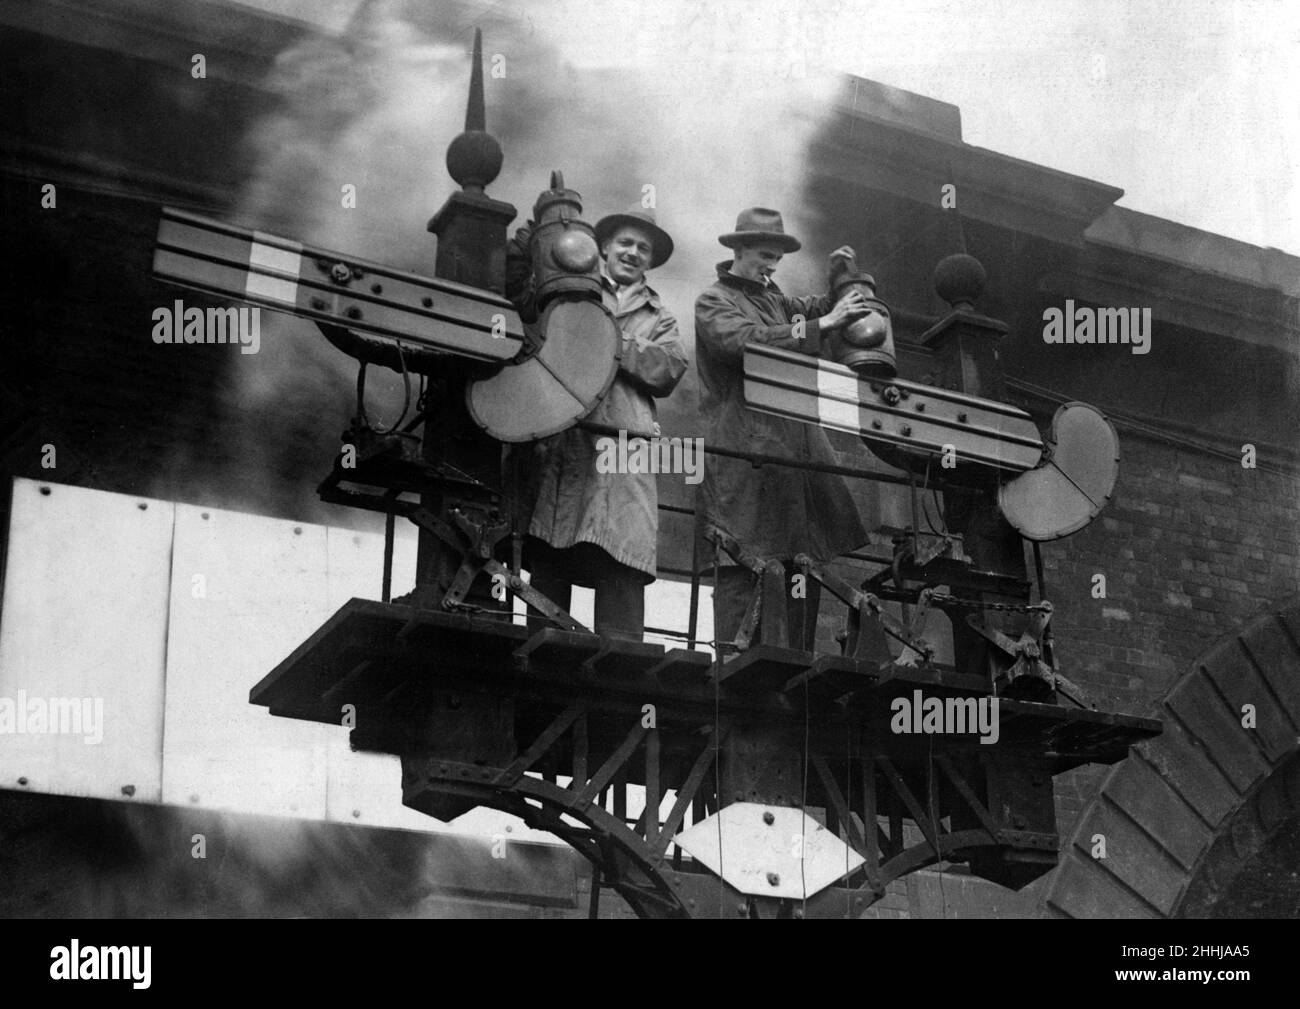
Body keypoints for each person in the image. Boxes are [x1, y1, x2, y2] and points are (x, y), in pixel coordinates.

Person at [694, 206, 874, 652]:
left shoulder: (776, 300)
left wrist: (842, 277)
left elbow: (824, 310)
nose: (772, 265)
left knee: (801, 562)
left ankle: (794, 665)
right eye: (763, 254)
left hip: (793, 459)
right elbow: (742, 342)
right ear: (737, 249)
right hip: (744, 456)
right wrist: (821, 324)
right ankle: (735, 670)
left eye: (777, 257)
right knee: (743, 556)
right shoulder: (714, 300)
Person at [506, 206, 688, 638]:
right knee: (553, 549)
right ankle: (545, 650)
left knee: (623, 553)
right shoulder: (573, 287)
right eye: (625, 243)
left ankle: (622, 663)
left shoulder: (660, 317)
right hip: (565, 438)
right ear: (603, 247)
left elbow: (667, 367)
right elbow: (524, 311)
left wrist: (600, 335)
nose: (633, 252)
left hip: (624, 451)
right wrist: (524, 252)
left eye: (643, 248)